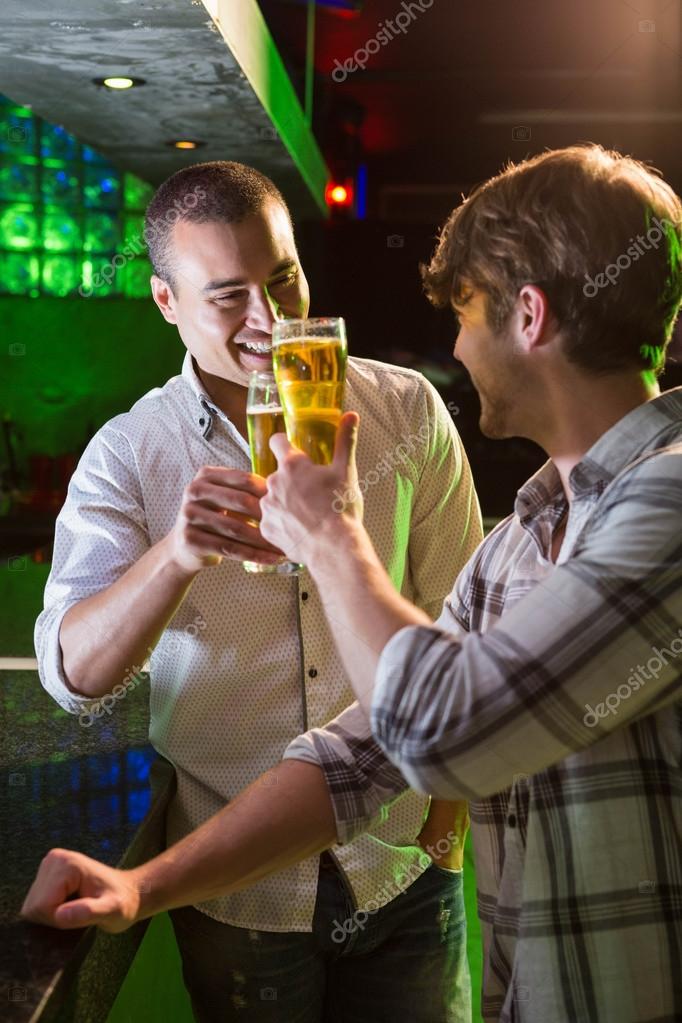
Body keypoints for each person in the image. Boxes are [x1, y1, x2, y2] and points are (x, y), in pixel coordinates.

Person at [25, 144, 681, 1021]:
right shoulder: (528, 533)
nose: (453, 341)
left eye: (465, 309)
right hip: (297, 918)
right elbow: (361, 753)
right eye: (228, 294)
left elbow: (441, 732)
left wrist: (330, 537)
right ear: (168, 302)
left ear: (529, 316)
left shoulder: (664, 502)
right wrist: (140, 885)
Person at [31, 161, 482, 1022]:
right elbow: (73, 678)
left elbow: (466, 620)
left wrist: (446, 826)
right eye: (229, 295)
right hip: (237, 890)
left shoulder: (407, 411)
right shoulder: (129, 454)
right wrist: (176, 553)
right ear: (167, 302)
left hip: (402, 863)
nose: (271, 319)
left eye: (283, 278)